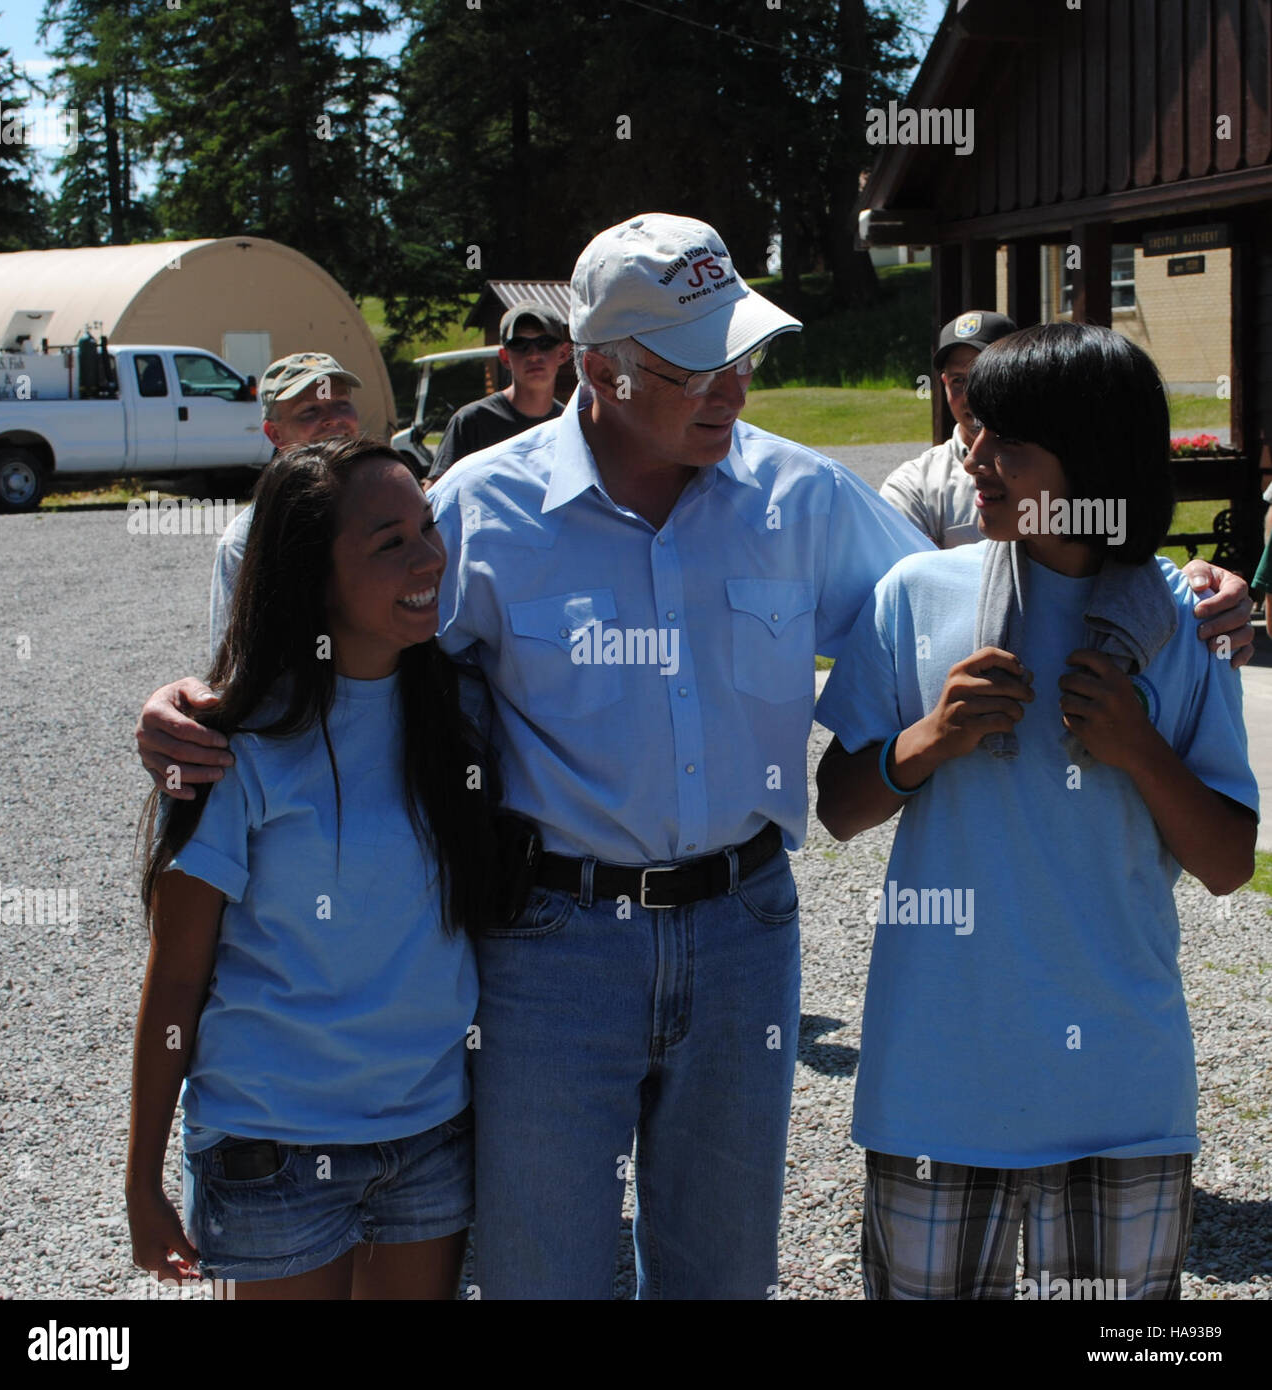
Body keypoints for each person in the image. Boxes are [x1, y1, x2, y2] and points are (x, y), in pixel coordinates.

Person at [134, 214, 1255, 1300]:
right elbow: (332, 611)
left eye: (743, 357)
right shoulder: (480, 505)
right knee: (543, 1273)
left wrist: (1176, 584)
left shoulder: (800, 497)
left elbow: (983, 577)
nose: (732, 387)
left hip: (740, 936)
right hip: (549, 942)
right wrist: (190, 703)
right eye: (697, 364)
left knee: (721, 1275)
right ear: (598, 366)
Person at [814, 322, 1258, 1301]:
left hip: (1122, 1094)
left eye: (1003, 440)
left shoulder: (1181, 620)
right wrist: (926, 740)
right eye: (969, 429)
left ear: (1090, 456)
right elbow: (836, 809)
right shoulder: (913, 593)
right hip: (932, 1089)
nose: (970, 457)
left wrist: (1137, 747)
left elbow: (1228, 862)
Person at [126, 435, 497, 1299]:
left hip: (430, 1137)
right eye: (389, 542)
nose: (429, 558)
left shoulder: (462, 710)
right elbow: (176, 978)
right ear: (310, 575)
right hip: (271, 1148)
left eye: (429, 527)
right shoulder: (230, 749)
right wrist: (143, 1180)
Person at [209, 352, 363, 655]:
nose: (333, 418)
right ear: (274, 433)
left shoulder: (398, 506)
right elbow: (233, 663)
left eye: (341, 403)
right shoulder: (249, 540)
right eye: (310, 411)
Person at [880, 310, 1017, 548]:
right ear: (943, 383)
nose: (971, 396)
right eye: (958, 381)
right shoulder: (915, 484)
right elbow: (908, 574)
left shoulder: (1048, 468)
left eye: (983, 376)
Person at [426, 302, 571, 484]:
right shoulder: (471, 423)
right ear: (504, 357)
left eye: (544, 343)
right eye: (520, 344)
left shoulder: (570, 426)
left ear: (564, 353)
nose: (534, 355)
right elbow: (435, 500)